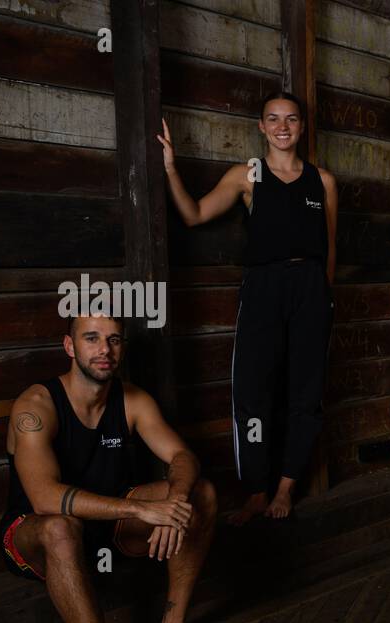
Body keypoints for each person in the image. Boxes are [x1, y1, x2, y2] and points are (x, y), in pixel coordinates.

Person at [0, 314, 221, 623]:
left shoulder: (133, 398)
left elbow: (183, 456)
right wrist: (142, 512)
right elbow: (45, 498)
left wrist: (174, 502)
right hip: (36, 534)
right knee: (60, 529)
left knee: (203, 494)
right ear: (70, 347)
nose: (105, 349)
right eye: (92, 338)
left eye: (114, 339)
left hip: (109, 525)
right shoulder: (35, 405)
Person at [158, 91, 339, 523]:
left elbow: (329, 248)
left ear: (301, 126)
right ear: (261, 127)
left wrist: (324, 296)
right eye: (273, 119)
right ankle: (256, 488)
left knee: (305, 392)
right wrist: (170, 167)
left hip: (310, 289)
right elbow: (195, 214)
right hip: (263, 288)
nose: (282, 127)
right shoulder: (248, 176)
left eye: (291, 119)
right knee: (253, 389)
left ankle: (286, 487)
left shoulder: (323, 181)